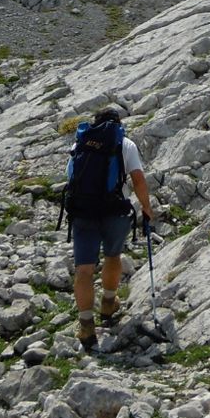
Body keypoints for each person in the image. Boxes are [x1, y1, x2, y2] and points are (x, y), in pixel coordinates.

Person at [69, 106, 154, 352]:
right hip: (114, 211)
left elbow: (71, 177)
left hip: (83, 213)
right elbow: (138, 179)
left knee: (83, 269)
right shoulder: (124, 144)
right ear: (118, 124)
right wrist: (146, 208)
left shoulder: (81, 144)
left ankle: (86, 324)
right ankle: (108, 302)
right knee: (112, 256)